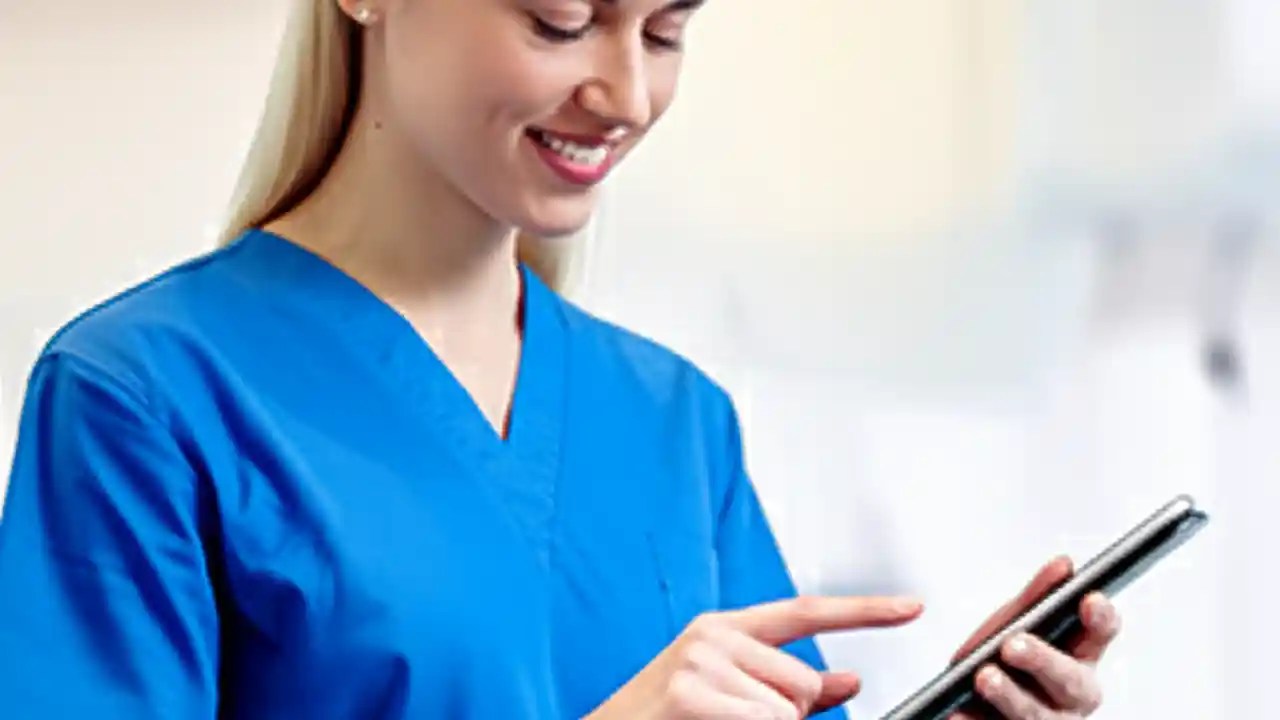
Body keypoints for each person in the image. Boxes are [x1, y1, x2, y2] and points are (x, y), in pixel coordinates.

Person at [0, 1, 1123, 717]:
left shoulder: (676, 419)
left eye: (665, 31)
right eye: (559, 21)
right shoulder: (142, 397)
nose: (625, 96)